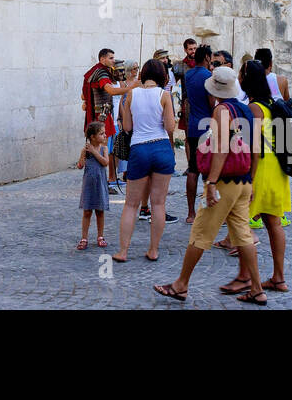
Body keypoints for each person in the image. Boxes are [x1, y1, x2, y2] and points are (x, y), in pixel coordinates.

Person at [153, 65, 267, 305]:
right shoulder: (247, 110)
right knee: (243, 235)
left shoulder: (221, 111)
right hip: (244, 181)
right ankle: (257, 289)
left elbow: (222, 148)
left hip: (224, 182)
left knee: (200, 232)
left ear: (214, 90)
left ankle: (181, 285)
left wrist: (212, 182)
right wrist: (252, 180)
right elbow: (256, 150)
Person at [221, 61, 290, 293]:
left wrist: (249, 179)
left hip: (261, 167)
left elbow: (254, 146)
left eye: (241, 74)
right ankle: (278, 277)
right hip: (276, 167)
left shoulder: (253, 108)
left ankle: (244, 276)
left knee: (241, 222)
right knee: (274, 222)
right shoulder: (271, 103)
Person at [114, 59, 178, 263]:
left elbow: (127, 127)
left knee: (131, 204)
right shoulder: (164, 95)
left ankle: (123, 251)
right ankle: (153, 250)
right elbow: (170, 127)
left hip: (139, 148)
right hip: (161, 148)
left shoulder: (132, 94)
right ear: (161, 75)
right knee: (158, 203)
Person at [83, 49, 137, 183]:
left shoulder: (97, 71)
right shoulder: (101, 73)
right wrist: (132, 87)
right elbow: (111, 90)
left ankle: (101, 180)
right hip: (101, 116)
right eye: (111, 58)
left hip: (102, 114)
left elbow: (84, 95)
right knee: (100, 149)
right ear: (102, 60)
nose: (114, 60)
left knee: (103, 149)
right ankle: (99, 180)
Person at [181, 44, 214, 223]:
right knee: (209, 170)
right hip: (207, 125)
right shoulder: (208, 77)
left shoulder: (188, 75)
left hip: (193, 125)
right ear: (207, 58)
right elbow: (211, 103)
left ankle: (191, 213)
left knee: (193, 169)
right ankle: (208, 211)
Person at [76, 121, 110, 249]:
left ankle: (100, 236)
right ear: (92, 137)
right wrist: (82, 158)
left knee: (100, 212)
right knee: (87, 212)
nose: (105, 135)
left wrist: (94, 152)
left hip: (100, 185)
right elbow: (80, 166)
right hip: (88, 186)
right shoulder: (85, 150)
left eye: (104, 133)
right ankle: (84, 238)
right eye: (101, 134)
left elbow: (105, 162)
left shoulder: (104, 149)